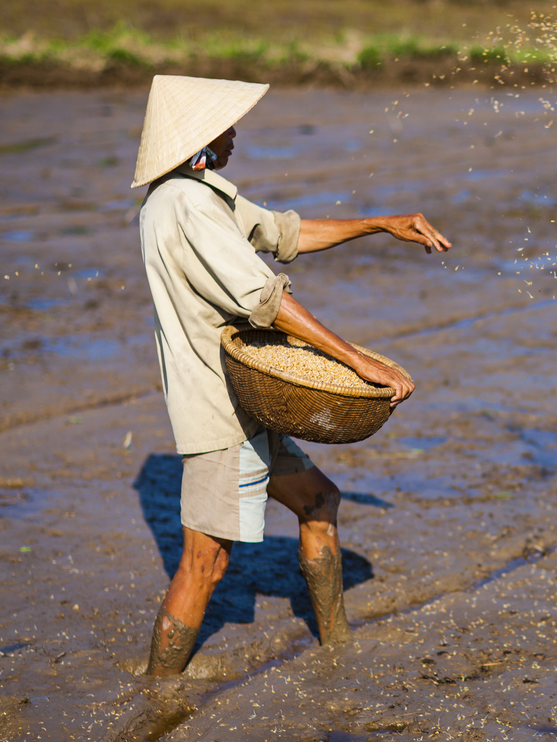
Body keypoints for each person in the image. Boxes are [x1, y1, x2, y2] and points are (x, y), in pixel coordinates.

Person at [131, 75, 451, 676]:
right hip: (219, 409)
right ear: (197, 139)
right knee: (204, 565)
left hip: (251, 397)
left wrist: (381, 223)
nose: (234, 134)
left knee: (319, 500)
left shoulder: (200, 194)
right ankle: (158, 693)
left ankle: (337, 649)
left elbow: (286, 234)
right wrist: (357, 360)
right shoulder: (184, 206)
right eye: (224, 126)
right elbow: (265, 300)